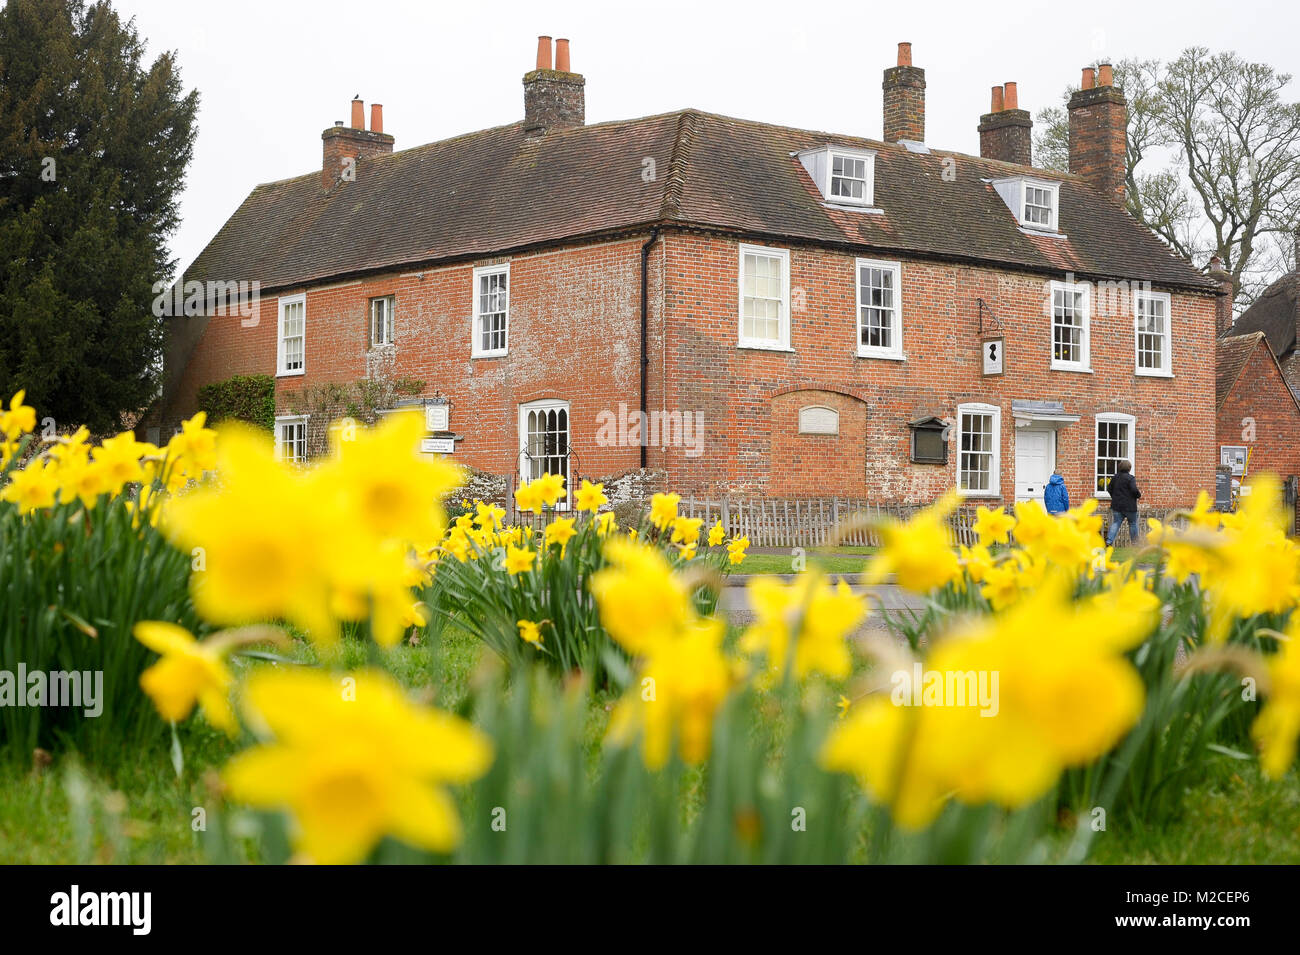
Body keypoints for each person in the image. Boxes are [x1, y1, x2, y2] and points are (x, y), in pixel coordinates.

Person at [1105, 460, 1142, 545]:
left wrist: (1114, 497)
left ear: (1119, 467)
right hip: (1130, 506)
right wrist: (1138, 495)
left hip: (1117, 505)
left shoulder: (1115, 477)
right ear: (1129, 468)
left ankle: (1109, 541)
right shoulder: (1131, 478)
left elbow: (1109, 489)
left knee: (1116, 523)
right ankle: (1135, 543)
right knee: (1133, 524)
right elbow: (1134, 489)